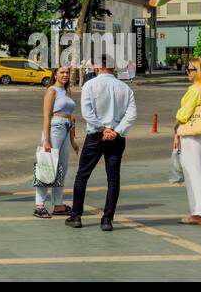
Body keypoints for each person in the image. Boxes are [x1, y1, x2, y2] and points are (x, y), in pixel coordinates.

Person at [66, 56, 137, 231]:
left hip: (96, 136)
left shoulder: (90, 85)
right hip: (116, 137)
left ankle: (76, 216)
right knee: (113, 179)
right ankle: (107, 220)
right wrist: (116, 131)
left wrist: (102, 128)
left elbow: (87, 112)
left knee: (82, 175)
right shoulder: (125, 88)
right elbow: (131, 113)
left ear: (98, 67)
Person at [174, 57, 201, 224]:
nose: (187, 72)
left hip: (192, 136)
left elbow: (184, 113)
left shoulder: (195, 90)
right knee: (199, 172)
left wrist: (176, 123)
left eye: (190, 69)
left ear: (198, 72)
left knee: (193, 173)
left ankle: (198, 212)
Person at [34, 65, 78, 218]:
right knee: (47, 165)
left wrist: (73, 140)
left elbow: (71, 117)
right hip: (54, 128)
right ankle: (39, 205)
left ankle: (58, 204)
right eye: (62, 72)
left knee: (62, 167)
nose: (65, 75)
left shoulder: (67, 92)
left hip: (66, 128)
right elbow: (46, 116)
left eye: (67, 72)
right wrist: (46, 140)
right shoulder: (51, 90)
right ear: (55, 75)